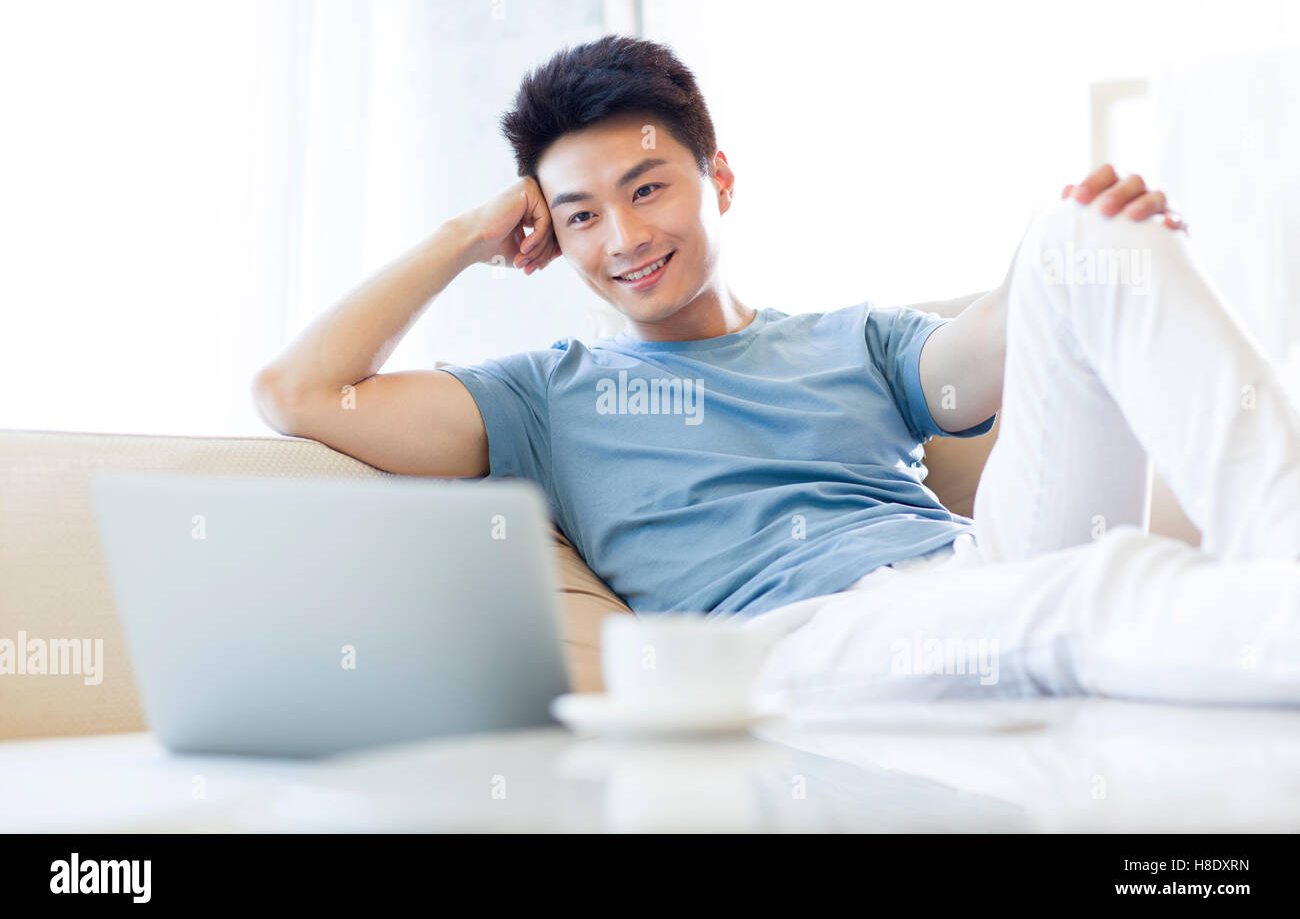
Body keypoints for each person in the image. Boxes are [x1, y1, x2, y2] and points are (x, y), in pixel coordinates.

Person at [254, 35, 1300, 707]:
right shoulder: (543, 393)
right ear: (548, 238)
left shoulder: (852, 340)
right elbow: (299, 391)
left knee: (1085, 232)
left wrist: (1061, 238)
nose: (621, 236)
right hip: (806, 648)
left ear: (718, 180)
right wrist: (462, 234)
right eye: (580, 215)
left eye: (647, 187)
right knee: (1087, 593)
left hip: (973, 573)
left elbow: (984, 357)